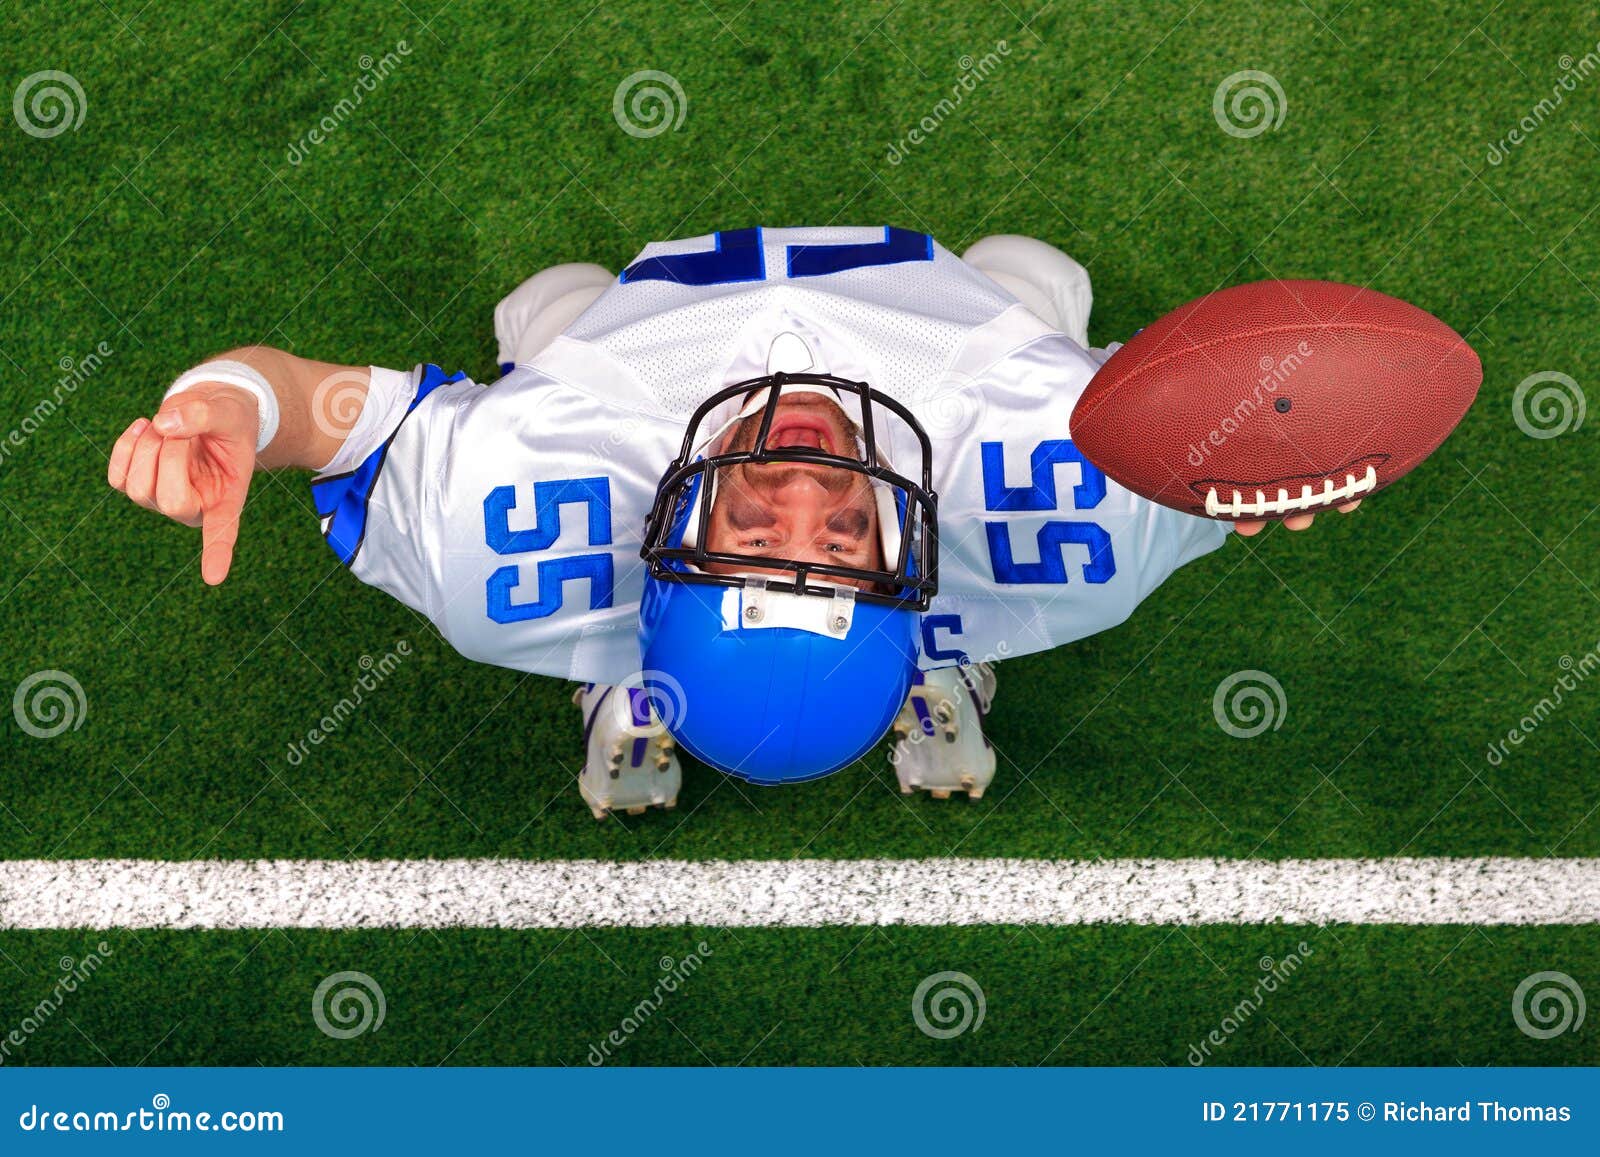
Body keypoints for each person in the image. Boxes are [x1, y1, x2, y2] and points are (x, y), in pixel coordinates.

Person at [107, 227, 1357, 817]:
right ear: (903, 557)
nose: (805, 482)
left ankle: (618, 685)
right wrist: (1271, 449)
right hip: (949, 332)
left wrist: (212, 407)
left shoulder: (502, 519)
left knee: (550, 299)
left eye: (756, 528)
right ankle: (946, 662)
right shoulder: (1070, 494)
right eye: (841, 539)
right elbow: (1250, 404)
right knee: (1034, 270)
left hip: (631, 339)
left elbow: (302, 405)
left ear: (668, 537)